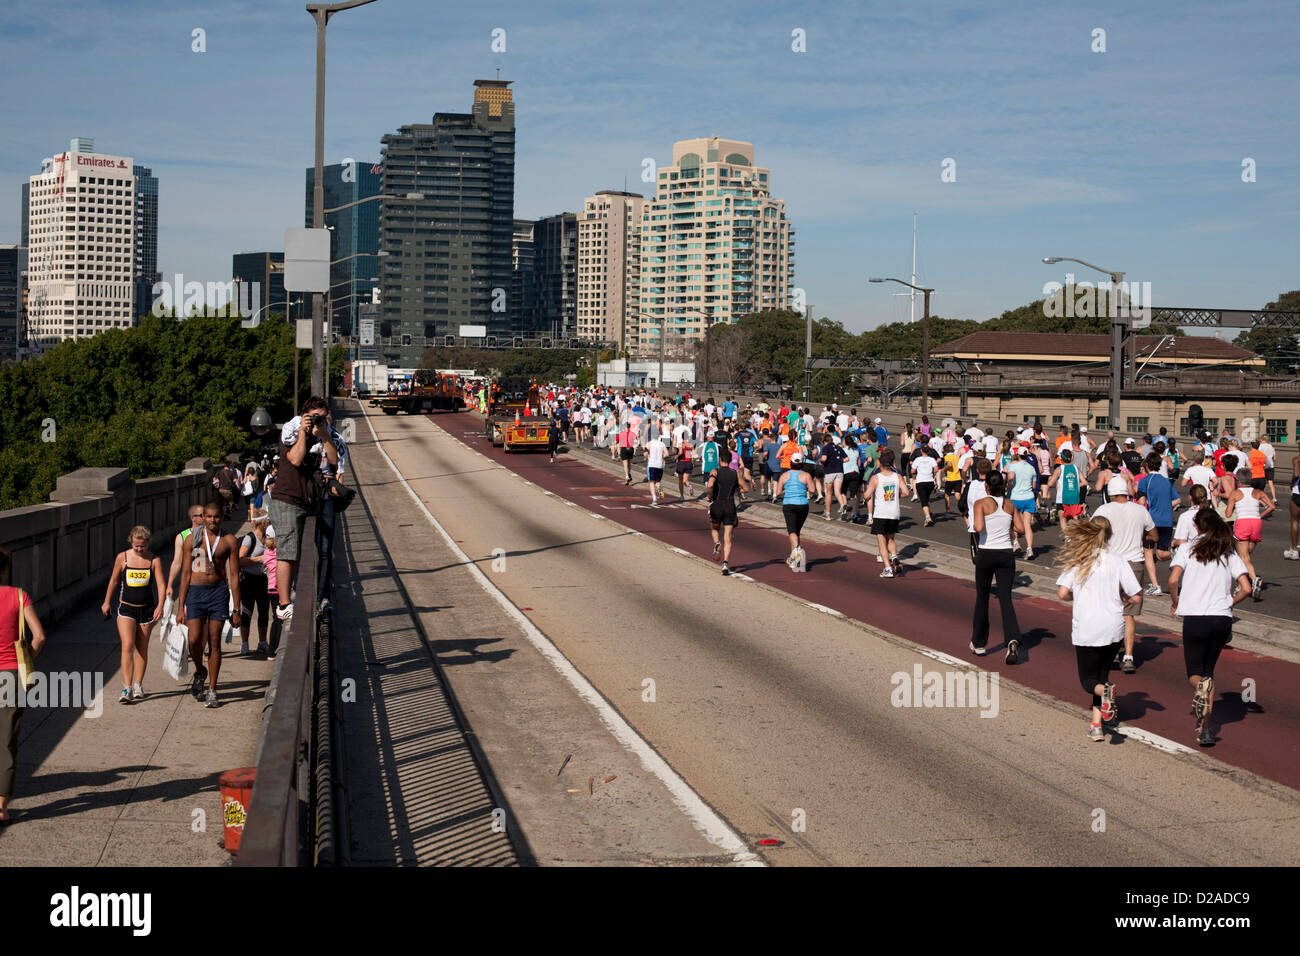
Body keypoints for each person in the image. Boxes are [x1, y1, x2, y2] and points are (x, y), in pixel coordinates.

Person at [1168, 509, 1252, 747]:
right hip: (1221, 618)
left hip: (1196, 617)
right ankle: (1205, 730)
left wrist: (1175, 602)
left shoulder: (1187, 549)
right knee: (1209, 671)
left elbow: (1173, 580)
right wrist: (1229, 602)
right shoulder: (1228, 551)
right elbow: (1245, 587)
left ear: (1196, 527)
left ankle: (1201, 697)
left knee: (1195, 675)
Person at [1055, 517, 1142, 741]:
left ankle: (1103, 700)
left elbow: (1063, 593)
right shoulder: (1118, 560)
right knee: (1102, 676)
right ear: (1110, 535)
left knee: (1088, 681)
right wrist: (1121, 597)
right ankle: (1096, 725)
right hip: (1113, 625)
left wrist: (1078, 594)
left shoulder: (1080, 559)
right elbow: (1136, 596)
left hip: (1087, 626)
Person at [268, 397, 337, 624]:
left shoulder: (321, 436)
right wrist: (302, 432)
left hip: (302, 501)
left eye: (323, 416)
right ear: (305, 414)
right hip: (286, 499)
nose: (319, 419)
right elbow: (296, 459)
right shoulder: (291, 431)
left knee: (294, 551)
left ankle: (291, 596)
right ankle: (284, 604)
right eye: (315, 415)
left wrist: (324, 433)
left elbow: (334, 462)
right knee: (287, 552)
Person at [174, 500, 243, 708]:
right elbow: (185, 574)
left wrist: (237, 608)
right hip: (196, 592)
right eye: (209, 517)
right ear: (202, 518)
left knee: (214, 641)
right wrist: (180, 606)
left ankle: (212, 689)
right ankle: (200, 670)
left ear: (221, 517)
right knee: (194, 639)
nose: (212, 520)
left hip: (218, 593)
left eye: (216, 517)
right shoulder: (192, 541)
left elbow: (234, 576)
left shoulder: (229, 541)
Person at [1, 548, 47, 825]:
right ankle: (2, 807)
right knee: (6, 742)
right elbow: (39, 636)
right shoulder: (19, 596)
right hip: (11, 674)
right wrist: (26, 658)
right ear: (5, 569)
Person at [1093, 476, 1155, 675]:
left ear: (1110, 493)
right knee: (1128, 613)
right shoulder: (1140, 510)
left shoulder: (1103, 510)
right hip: (1134, 563)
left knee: (1109, 607)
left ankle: (1107, 650)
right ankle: (1128, 655)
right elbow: (1154, 535)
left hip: (1109, 563)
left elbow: (1090, 532)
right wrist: (1144, 539)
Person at [100, 527, 165, 704]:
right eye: (136, 546)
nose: (139, 549)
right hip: (126, 609)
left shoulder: (154, 560)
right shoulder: (123, 558)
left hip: (147, 610)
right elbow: (114, 580)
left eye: (142, 547)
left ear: (147, 544)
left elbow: (160, 584)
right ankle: (126, 687)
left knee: (142, 648)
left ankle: (138, 685)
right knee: (127, 645)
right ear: (131, 542)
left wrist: (160, 605)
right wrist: (106, 601)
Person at [970, 471, 1025, 662]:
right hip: (1006, 554)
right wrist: (1007, 524)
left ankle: (979, 642)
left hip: (986, 552)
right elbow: (1021, 529)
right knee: (1006, 600)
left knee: (982, 597)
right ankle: (1011, 639)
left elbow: (978, 528)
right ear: (1003, 486)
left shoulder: (981, 503)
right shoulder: (1010, 504)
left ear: (987, 486)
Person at [1224, 466, 1276, 599]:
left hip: (1243, 523)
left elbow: (1228, 513)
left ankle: (1253, 580)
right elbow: (1272, 506)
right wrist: (1260, 515)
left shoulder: (1235, 493)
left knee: (1244, 558)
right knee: (1246, 557)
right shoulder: (1258, 492)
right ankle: (1240, 586)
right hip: (1256, 523)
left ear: (1238, 481)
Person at [1136, 452, 1176, 595]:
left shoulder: (1145, 481)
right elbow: (1177, 500)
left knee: (1148, 552)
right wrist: (1166, 504)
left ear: (1147, 465)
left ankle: (1155, 585)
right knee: (1161, 554)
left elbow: (1141, 502)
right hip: (1167, 520)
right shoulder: (1166, 481)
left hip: (1151, 521)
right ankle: (1174, 554)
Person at [864, 448, 909, 577]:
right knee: (891, 538)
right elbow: (906, 492)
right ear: (892, 463)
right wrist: (895, 496)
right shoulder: (898, 476)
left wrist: (867, 495)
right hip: (894, 512)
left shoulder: (875, 477)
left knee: (881, 541)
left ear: (879, 463)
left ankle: (888, 568)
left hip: (881, 512)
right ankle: (894, 556)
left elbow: (867, 495)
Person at [706, 452, 751, 575]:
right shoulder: (735, 473)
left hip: (717, 504)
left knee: (714, 528)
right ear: (730, 460)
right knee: (728, 537)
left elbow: (710, 485)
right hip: (730, 505)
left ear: (720, 459)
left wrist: (710, 496)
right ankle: (725, 564)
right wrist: (737, 489)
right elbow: (746, 489)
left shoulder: (715, 472)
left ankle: (717, 543)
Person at [238, 510, 273, 658]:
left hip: (263, 579)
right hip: (248, 579)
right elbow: (240, 559)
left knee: (264, 611)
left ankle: (262, 642)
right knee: (247, 611)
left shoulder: (268, 537)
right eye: (268, 521)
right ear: (263, 523)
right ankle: (245, 643)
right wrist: (259, 559)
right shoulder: (249, 538)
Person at [776, 451, 815, 571]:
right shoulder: (806, 475)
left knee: (792, 531)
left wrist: (785, 490)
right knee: (796, 531)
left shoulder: (784, 476)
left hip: (789, 504)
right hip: (803, 505)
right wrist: (803, 488)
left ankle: (797, 548)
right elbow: (813, 490)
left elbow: (777, 492)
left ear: (790, 462)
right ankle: (793, 558)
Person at [1005, 446, 1038, 558]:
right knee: (1027, 525)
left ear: (1018, 455)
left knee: (1013, 523)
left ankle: (1015, 542)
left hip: (1015, 497)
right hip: (1029, 498)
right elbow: (1033, 486)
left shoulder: (1012, 466)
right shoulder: (1031, 468)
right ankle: (1029, 549)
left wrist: (1008, 485)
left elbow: (1010, 477)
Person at [910, 444, 939, 527]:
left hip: (921, 481)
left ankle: (927, 518)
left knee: (923, 500)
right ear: (929, 451)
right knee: (926, 498)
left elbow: (912, 471)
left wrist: (917, 471)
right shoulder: (932, 459)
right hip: (930, 481)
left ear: (921, 451)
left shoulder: (917, 459)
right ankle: (929, 512)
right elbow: (936, 469)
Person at [643, 430, 667, 505]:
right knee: (658, 481)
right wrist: (661, 456)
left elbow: (645, 453)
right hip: (659, 465)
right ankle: (660, 492)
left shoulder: (649, 443)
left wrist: (648, 456)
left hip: (652, 464)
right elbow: (667, 453)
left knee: (651, 481)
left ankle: (654, 498)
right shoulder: (662, 444)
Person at [1288, 452, 1300, 560]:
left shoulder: (1297, 459)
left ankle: (1294, 550)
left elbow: (1296, 474)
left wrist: (1292, 483)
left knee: (1295, 520)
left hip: (1298, 493)